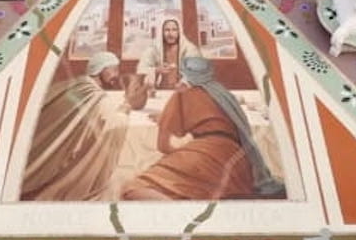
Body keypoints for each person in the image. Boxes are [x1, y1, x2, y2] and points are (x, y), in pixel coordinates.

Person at [120, 56, 285, 200]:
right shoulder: (222, 94)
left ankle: (180, 217)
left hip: (205, 157)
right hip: (239, 166)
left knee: (133, 188)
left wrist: (184, 150)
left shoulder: (182, 93)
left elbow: (162, 146)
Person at [21, 51, 131, 200]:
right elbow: (114, 123)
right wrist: (126, 109)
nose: (116, 75)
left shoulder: (79, 84)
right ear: (102, 69)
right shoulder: (93, 95)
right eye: (114, 69)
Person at [136, 16, 201, 93]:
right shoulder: (154, 48)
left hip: (184, 92)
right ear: (161, 32)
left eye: (174, 30)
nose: (170, 34)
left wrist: (184, 83)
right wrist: (156, 70)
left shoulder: (189, 48)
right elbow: (141, 69)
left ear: (179, 31)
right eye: (167, 30)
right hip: (160, 91)